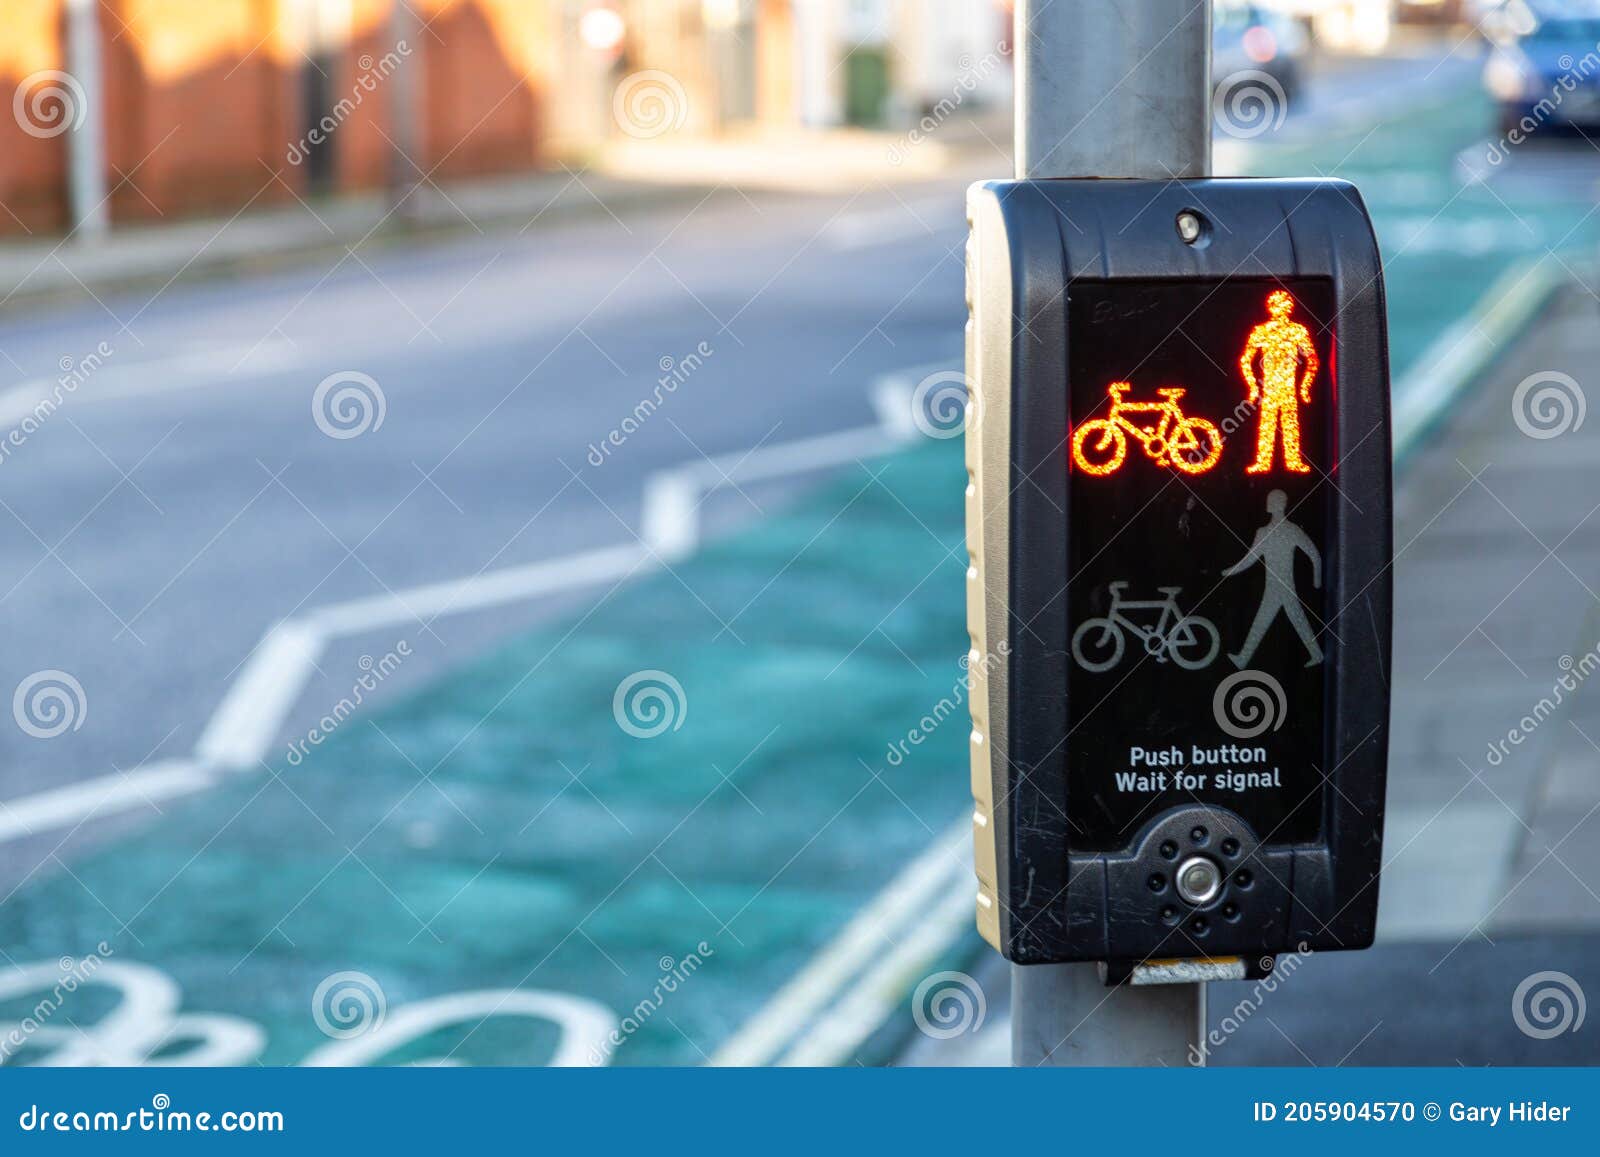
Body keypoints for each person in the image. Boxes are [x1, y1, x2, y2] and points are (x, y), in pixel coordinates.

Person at [1223, 489, 1323, 668]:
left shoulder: (1288, 531)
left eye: (1271, 500)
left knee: (1290, 620)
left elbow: (1314, 554)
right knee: (1283, 621)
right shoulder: (1271, 531)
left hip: (1282, 588)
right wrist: (1231, 571)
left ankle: (1244, 658)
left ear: (1275, 505)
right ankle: (1244, 658)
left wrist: (1317, 581)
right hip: (1275, 588)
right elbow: (1251, 558)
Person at [1240, 289, 1319, 474]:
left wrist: (1304, 387)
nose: (1280, 310)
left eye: (1283, 306)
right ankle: (1264, 462)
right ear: (1270, 308)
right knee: (1268, 423)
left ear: (1289, 308)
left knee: (1288, 422)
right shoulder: (1261, 331)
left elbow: (1312, 360)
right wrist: (1252, 387)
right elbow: (1245, 359)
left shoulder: (1297, 331)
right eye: (1276, 306)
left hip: (1287, 386)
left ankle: (1292, 462)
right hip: (1268, 386)